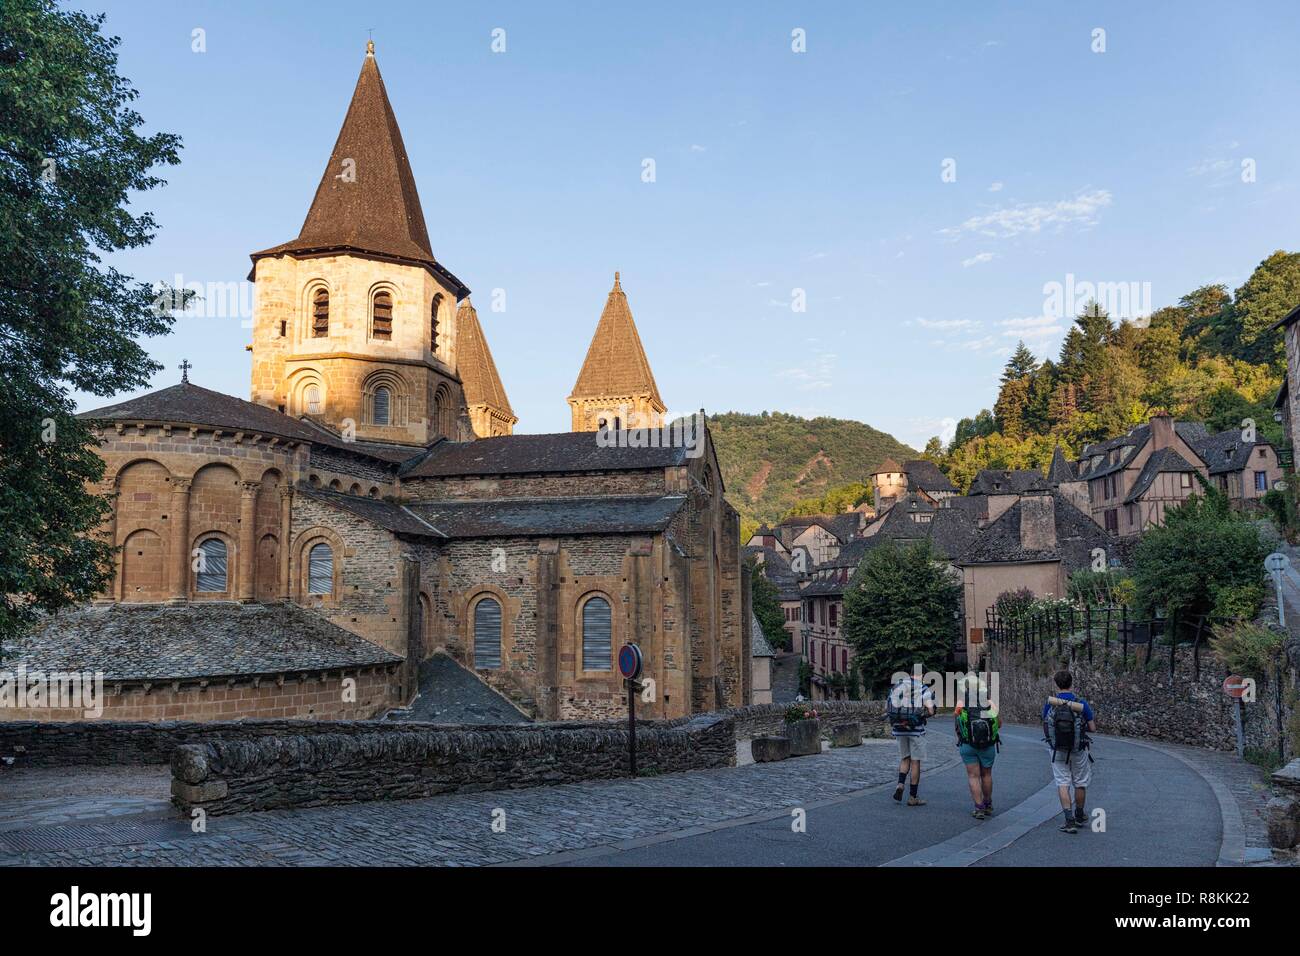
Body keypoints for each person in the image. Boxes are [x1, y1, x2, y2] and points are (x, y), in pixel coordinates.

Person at [1042, 669, 1096, 834]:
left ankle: (1069, 820)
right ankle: (1079, 815)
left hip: (1057, 749)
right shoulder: (1081, 704)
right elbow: (1093, 728)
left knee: (1062, 783)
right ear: (1071, 683)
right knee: (1080, 782)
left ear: (1056, 684)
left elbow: (1046, 725)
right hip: (1078, 749)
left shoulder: (1051, 703)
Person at [886, 670, 936, 806]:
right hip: (915, 730)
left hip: (899, 729)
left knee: (904, 759)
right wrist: (923, 716)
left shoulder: (898, 685)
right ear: (922, 676)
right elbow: (931, 711)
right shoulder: (923, 688)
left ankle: (900, 784)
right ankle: (913, 797)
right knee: (915, 762)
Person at [954, 675, 999, 819]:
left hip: (968, 744)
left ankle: (978, 808)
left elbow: (957, 723)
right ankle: (988, 804)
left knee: (973, 776)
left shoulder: (961, 703)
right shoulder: (989, 702)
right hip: (988, 745)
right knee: (987, 774)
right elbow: (998, 723)